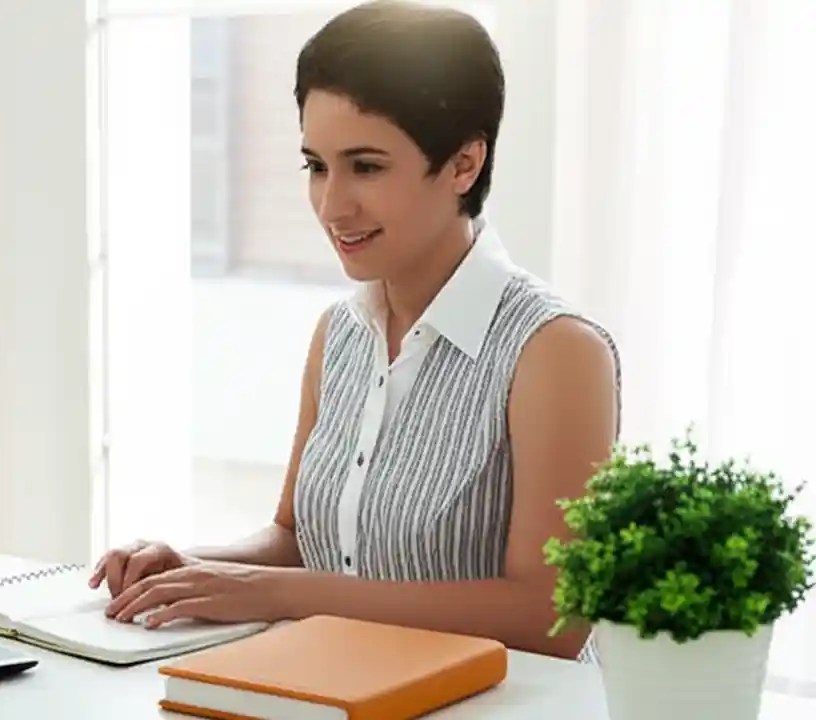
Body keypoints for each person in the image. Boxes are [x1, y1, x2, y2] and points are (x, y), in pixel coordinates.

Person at [89, 0, 620, 660]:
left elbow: (549, 617)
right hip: (340, 691)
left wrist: (279, 593)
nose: (331, 205)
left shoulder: (554, 352)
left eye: (366, 166)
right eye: (316, 165)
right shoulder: (339, 334)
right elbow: (294, 539)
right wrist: (184, 564)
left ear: (463, 164)